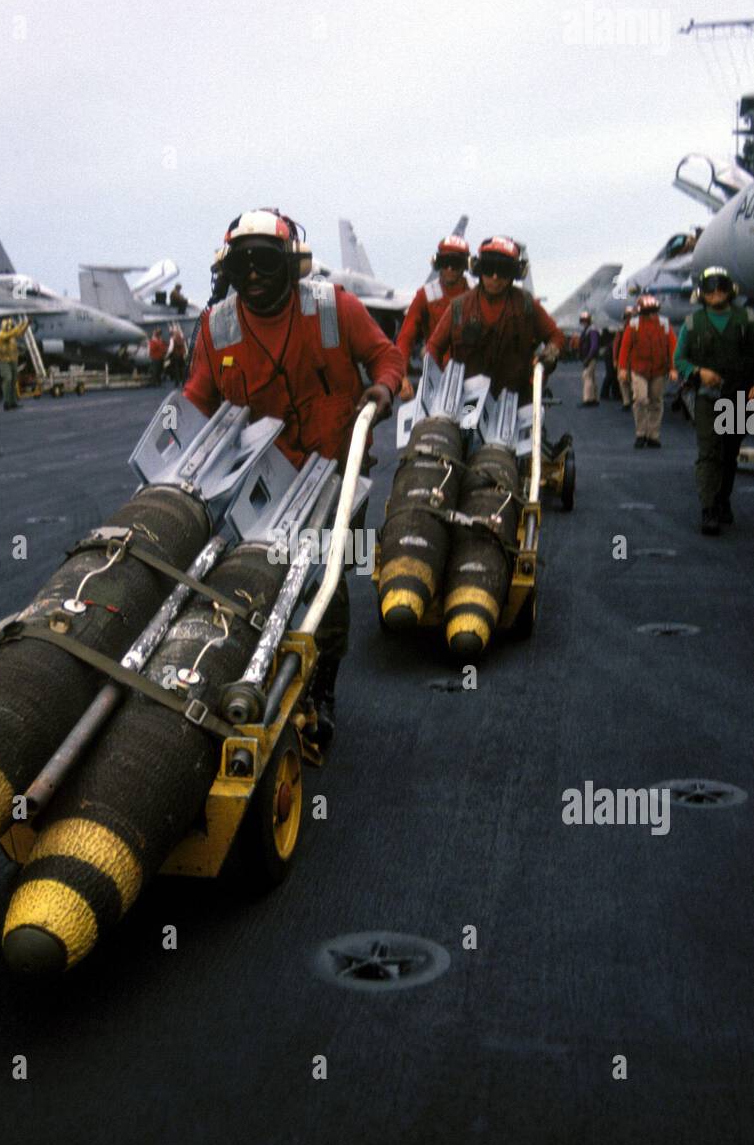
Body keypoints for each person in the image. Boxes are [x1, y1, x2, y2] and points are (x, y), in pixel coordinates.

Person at [185, 207, 404, 747]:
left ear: (288, 262)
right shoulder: (218, 329)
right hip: (259, 484)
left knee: (326, 586)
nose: (254, 275)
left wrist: (382, 392)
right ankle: (254, 681)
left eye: (264, 262)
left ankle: (321, 689)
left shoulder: (335, 308)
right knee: (258, 582)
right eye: (243, 265)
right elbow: (195, 400)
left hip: (336, 472)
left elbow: (387, 356)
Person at [425, 236, 563, 395]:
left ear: (514, 273)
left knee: (530, 418)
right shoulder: (459, 307)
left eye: (503, 270)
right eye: (489, 269)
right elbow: (433, 347)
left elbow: (556, 335)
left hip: (516, 401)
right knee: (465, 419)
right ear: (479, 269)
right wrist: (433, 382)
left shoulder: (526, 305)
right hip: (470, 403)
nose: (495, 277)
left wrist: (551, 351)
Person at [674, 265, 754, 534]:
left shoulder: (747, 320)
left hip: (739, 395)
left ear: (730, 289)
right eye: (710, 287)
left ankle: (723, 500)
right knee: (709, 453)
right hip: (708, 397)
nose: (716, 291)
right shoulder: (692, 323)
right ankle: (708, 509)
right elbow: (679, 359)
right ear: (702, 293)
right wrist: (697, 372)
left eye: (721, 285)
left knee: (730, 453)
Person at [397, 235, 471, 369]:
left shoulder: (475, 294)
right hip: (436, 372)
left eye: (455, 263)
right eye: (445, 262)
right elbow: (406, 337)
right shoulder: (425, 295)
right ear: (437, 262)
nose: (449, 268)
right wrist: (401, 376)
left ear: (465, 265)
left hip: (471, 372)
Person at [618, 295, 677, 449]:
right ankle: (640, 433)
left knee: (656, 402)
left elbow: (672, 347)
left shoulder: (664, 324)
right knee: (640, 399)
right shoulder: (634, 324)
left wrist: (673, 368)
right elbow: (625, 347)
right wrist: (623, 368)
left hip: (659, 370)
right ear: (641, 312)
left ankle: (653, 436)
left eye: (653, 311)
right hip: (639, 370)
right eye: (648, 311)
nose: (651, 315)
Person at [0, 315, 29, 410]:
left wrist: (26, 324)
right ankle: (6, 402)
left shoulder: (12, 336)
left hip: (13, 360)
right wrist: (20, 324)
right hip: (4, 361)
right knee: (8, 379)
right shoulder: (2, 335)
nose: (11, 328)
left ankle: (13, 402)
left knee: (14, 381)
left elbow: (20, 333)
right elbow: (13, 332)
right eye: (10, 326)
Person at [613, 306, 634, 408]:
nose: (629, 318)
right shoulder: (622, 329)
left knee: (632, 381)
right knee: (624, 380)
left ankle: (629, 400)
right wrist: (615, 359)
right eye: (628, 316)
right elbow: (616, 345)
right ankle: (627, 401)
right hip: (625, 358)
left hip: (632, 359)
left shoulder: (634, 328)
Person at [578, 309, 600, 405]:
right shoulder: (588, 330)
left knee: (587, 376)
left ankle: (588, 399)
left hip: (590, 357)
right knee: (592, 377)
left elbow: (594, 345)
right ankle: (595, 398)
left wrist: (588, 358)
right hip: (590, 357)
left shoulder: (591, 330)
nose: (583, 322)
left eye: (585, 320)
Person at [164, 321, 187, 386]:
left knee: (176, 369)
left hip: (175, 356)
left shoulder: (172, 339)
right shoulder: (181, 338)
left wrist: (167, 355)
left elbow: (170, 349)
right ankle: (184, 381)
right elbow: (184, 346)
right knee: (182, 368)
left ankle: (177, 382)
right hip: (181, 355)